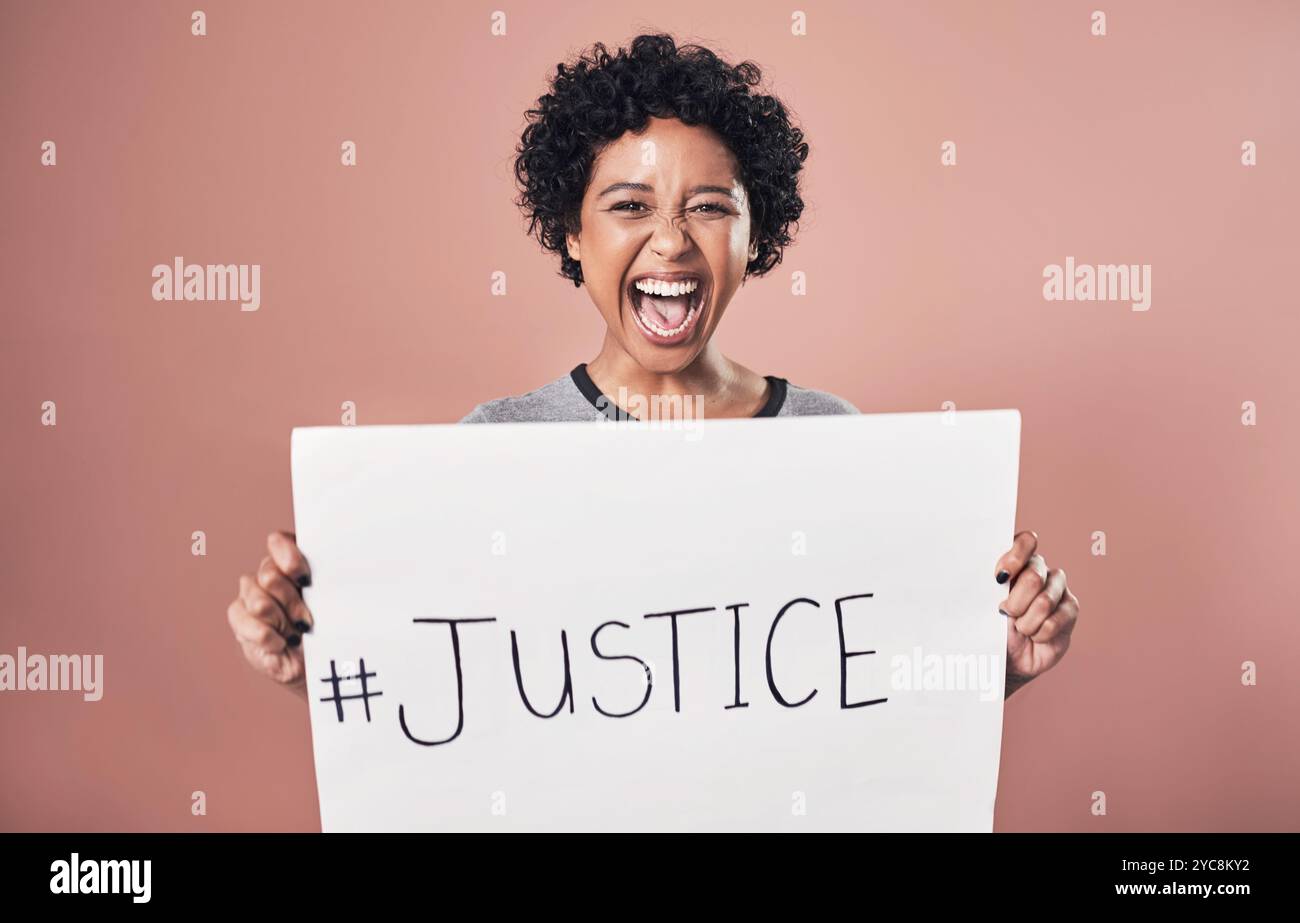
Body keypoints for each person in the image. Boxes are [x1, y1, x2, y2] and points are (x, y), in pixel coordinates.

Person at [227, 33, 1079, 704]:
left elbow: (870, 689)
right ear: (571, 230)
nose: (670, 240)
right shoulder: (492, 449)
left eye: (709, 207)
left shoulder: (835, 440)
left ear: (757, 234)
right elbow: (450, 695)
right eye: (629, 205)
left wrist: (998, 666)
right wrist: (310, 664)